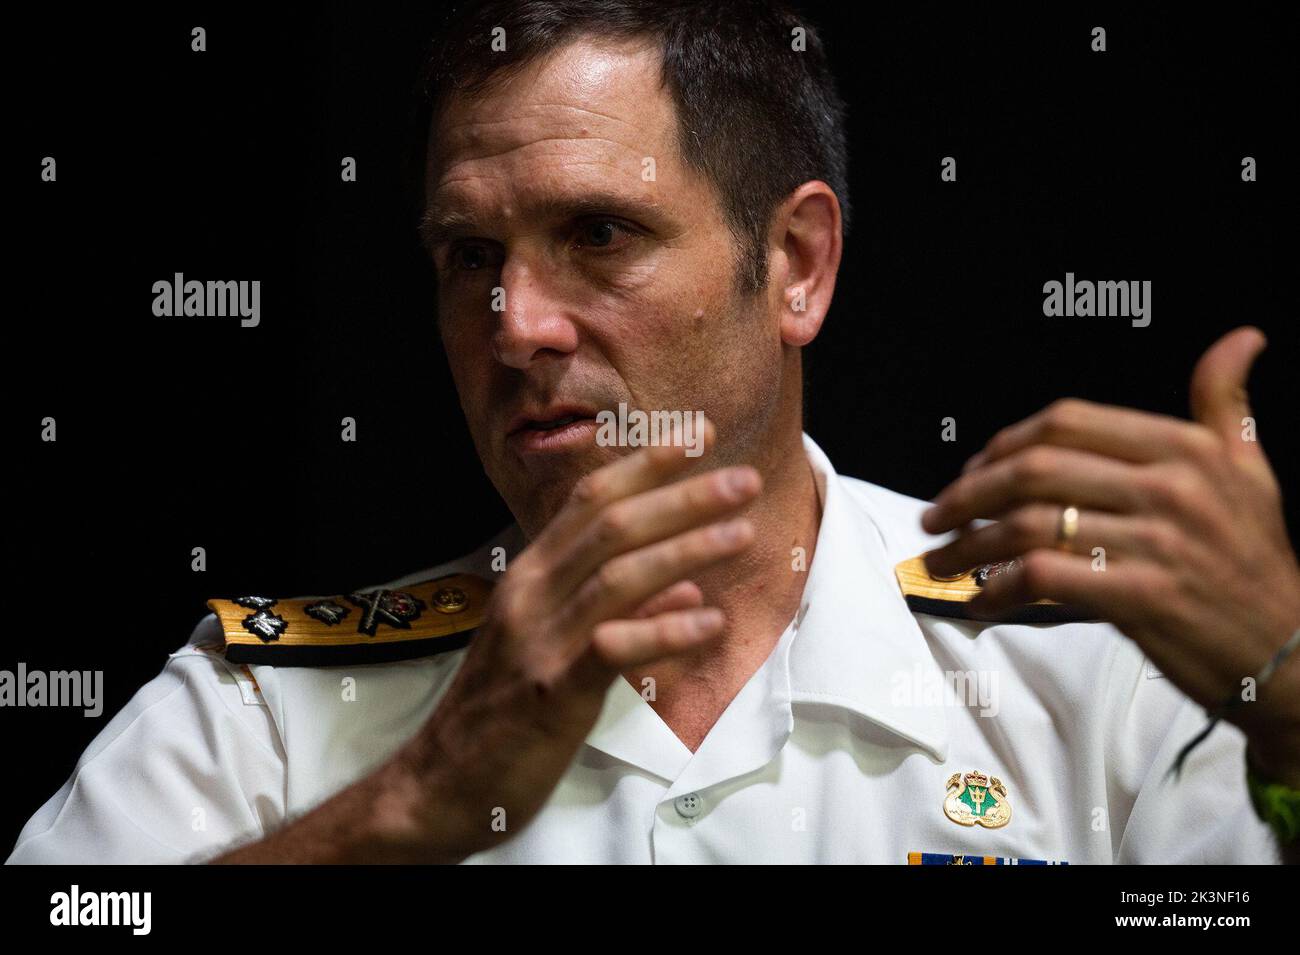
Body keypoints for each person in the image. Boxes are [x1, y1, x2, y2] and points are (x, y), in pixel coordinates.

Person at [9, 0, 1298, 864]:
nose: (515, 325)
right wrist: (404, 812)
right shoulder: (266, 716)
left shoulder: (1097, 667)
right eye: (469, 257)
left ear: (796, 265)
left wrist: (1293, 707)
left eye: (599, 236)